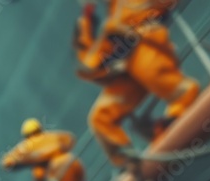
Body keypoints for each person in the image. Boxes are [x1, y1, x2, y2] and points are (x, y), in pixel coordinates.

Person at [74, 0, 199, 168]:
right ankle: (130, 164)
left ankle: (179, 114)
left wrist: (131, 30)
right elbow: (90, 65)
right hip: (128, 69)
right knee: (100, 118)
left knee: (167, 82)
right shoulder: (111, 14)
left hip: (146, 47)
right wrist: (86, 24)